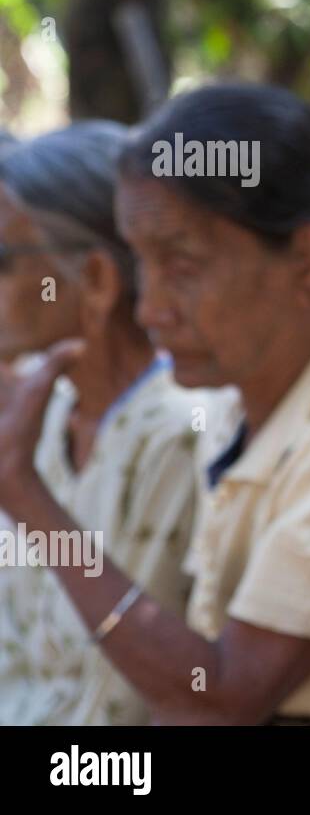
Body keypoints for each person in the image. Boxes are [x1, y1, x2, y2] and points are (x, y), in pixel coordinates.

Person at [0, 84, 310, 724]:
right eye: (142, 263)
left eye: (183, 264)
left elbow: (226, 693)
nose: (150, 305)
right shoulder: (234, 404)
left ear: (307, 258)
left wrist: (25, 495)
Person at [0, 122, 205, 724]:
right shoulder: (50, 410)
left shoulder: (179, 431)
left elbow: (124, 700)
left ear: (96, 278)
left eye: (3, 261)